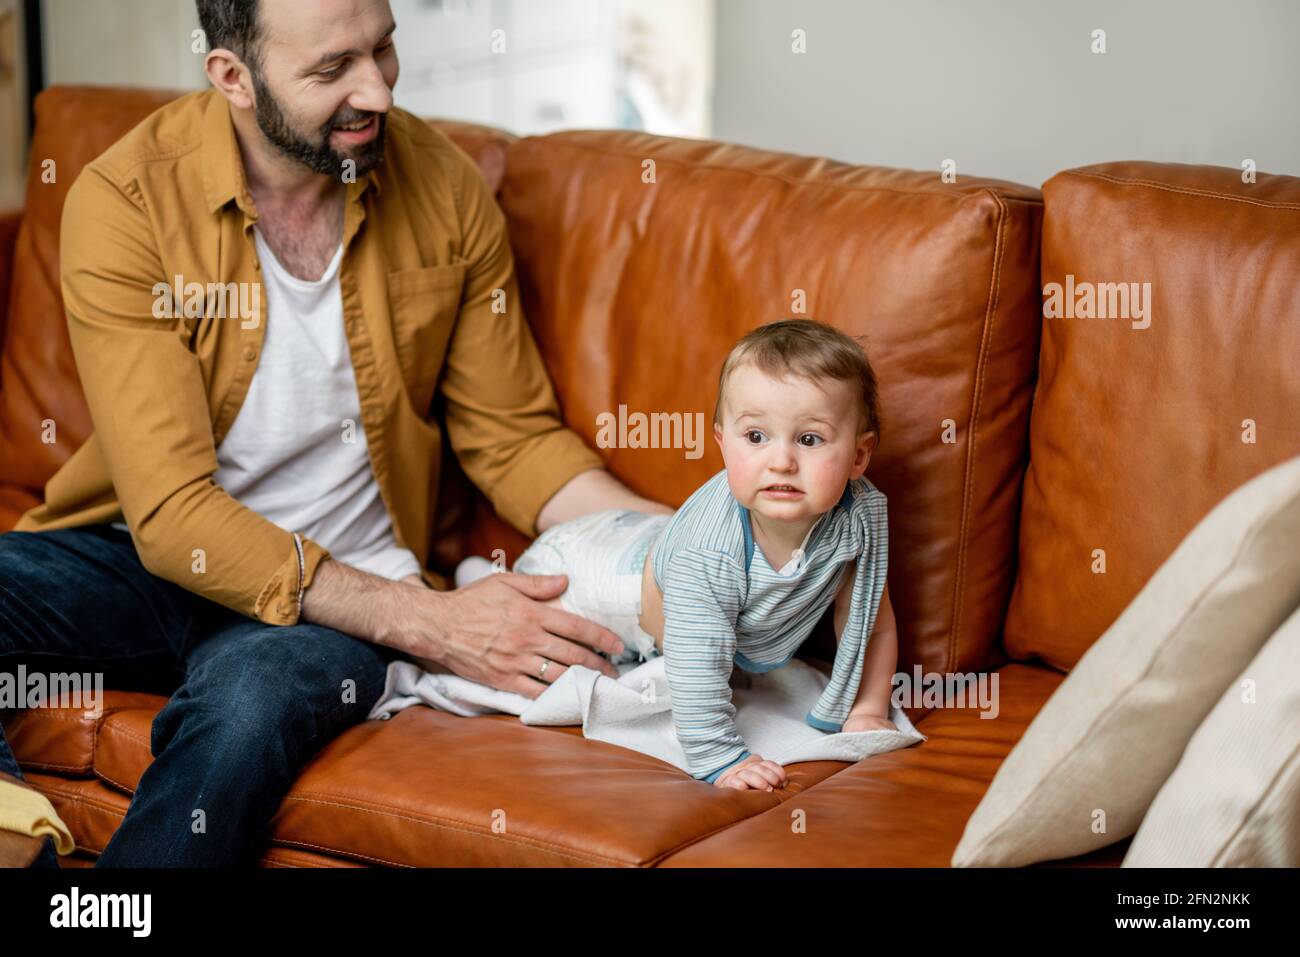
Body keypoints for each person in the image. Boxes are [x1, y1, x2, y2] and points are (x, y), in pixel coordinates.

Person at [0, 0, 669, 867]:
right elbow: (171, 514)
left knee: (251, 707)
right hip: (146, 559)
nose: (377, 91)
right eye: (332, 69)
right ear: (232, 78)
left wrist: (688, 541)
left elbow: (515, 439)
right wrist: (431, 622)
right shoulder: (126, 200)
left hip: (334, 596)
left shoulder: (444, 185)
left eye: (384, 49)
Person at [452, 319, 899, 792]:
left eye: (809, 439)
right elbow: (695, 662)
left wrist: (869, 708)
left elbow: (871, 618)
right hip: (592, 574)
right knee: (532, 619)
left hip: (648, 537)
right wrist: (723, 758)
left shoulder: (858, 520)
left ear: (858, 456)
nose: (782, 460)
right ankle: (480, 579)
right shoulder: (708, 553)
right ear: (722, 443)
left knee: (659, 547)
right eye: (756, 437)